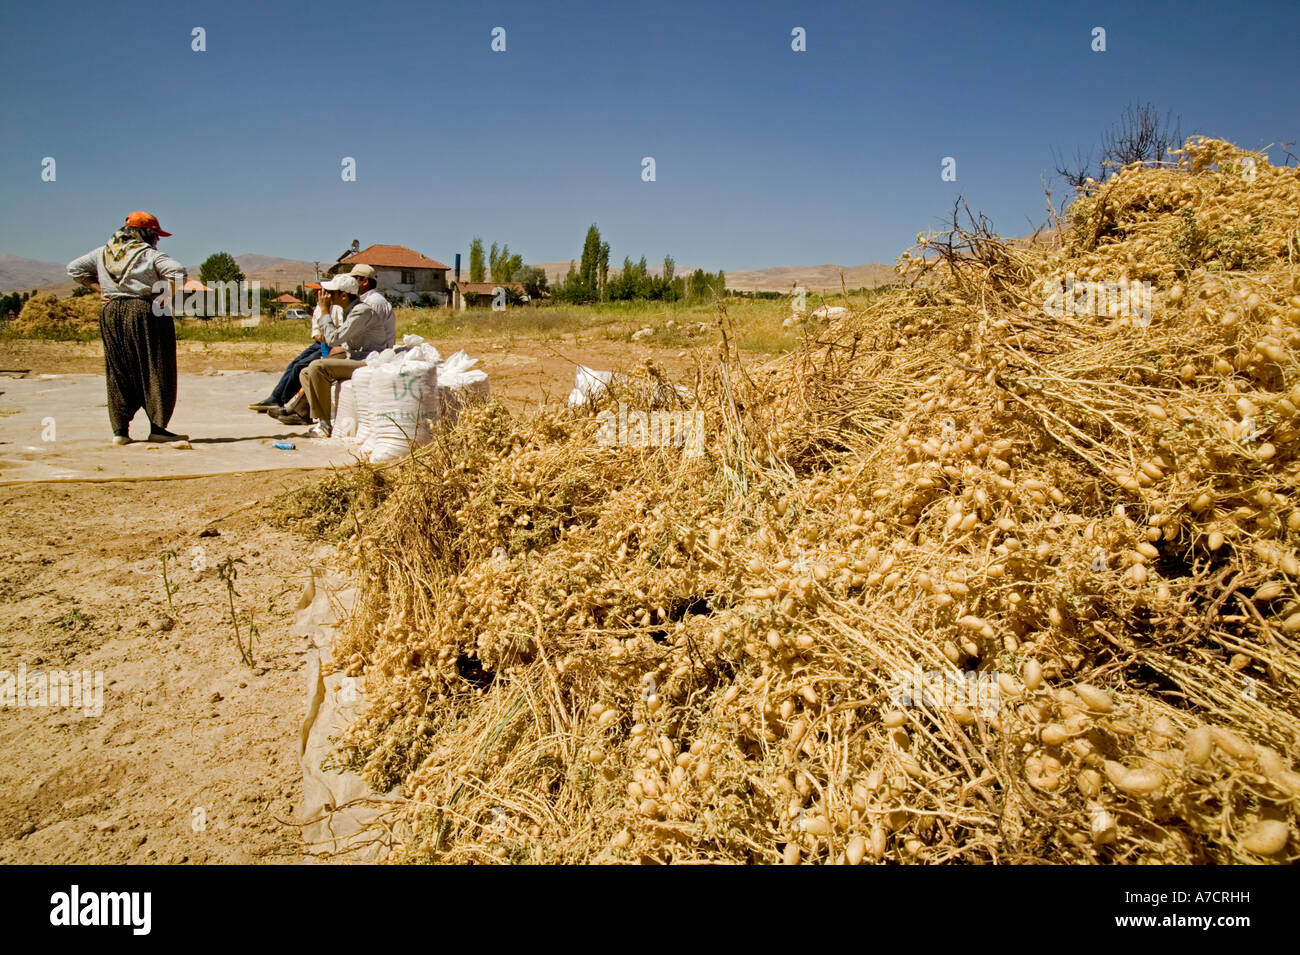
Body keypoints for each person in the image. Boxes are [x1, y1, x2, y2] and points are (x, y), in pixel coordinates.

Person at [67, 211, 188, 445]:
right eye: (155, 234)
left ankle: (120, 431)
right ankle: (158, 427)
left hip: (111, 312)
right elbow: (178, 272)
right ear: (146, 233)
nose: (158, 239)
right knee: (155, 366)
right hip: (145, 310)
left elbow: (74, 269)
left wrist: (100, 290)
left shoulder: (102, 253)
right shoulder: (149, 255)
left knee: (119, 369)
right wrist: (164, 295)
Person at [281, 270, 394, 437]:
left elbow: (333, 338)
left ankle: (324, 425)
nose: (326, 296)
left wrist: (324, 311)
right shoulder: (349, 309)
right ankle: (325, 417)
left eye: (331, 293)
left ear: (343, 296)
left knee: (318, 367)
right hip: (355, 356)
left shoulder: (361, 311)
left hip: (370, 359)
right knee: (305, 372)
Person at [248, 282, 343, 415]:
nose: (315, 295)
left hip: (333, 345)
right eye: (315, 292)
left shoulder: (337, 308)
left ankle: (284, 400)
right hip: (321, 342)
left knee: (300, 366)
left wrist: (327, 334)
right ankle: (275, 397)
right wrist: (322, 336)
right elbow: (316, 333)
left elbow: (341, 331)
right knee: (294, 363)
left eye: (318, 291)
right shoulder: (318, 308)